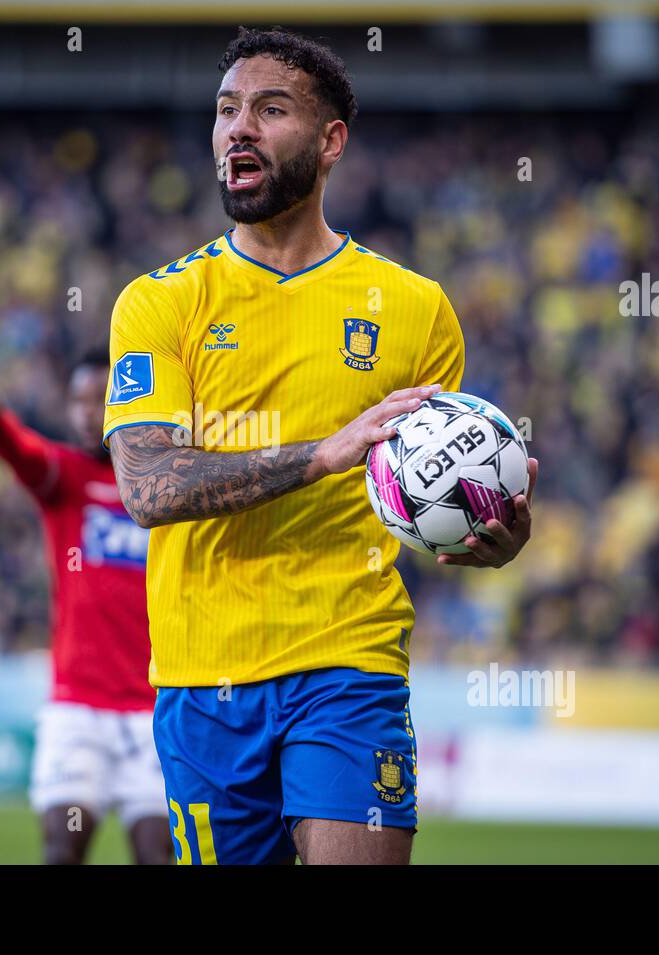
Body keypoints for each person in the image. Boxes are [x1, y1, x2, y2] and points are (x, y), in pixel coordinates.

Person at [102, 28, 538, 865]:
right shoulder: (158, 303)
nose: (239, 129)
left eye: (270, 110)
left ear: (331, 140)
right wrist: (323, 453)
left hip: (349, 663)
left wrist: (486, 538)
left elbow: (423, 497)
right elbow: (149, 487)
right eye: (227, 111)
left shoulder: (417, 310)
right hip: (203, 678)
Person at [0, 350, 171, 865]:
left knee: (157, 855)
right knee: (63, 849)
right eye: (78, 400)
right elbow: (25, 454)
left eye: (100, 400)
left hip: (154, 707)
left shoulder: (168, 489)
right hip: (77, 707)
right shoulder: (67, 477)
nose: (87, 412)